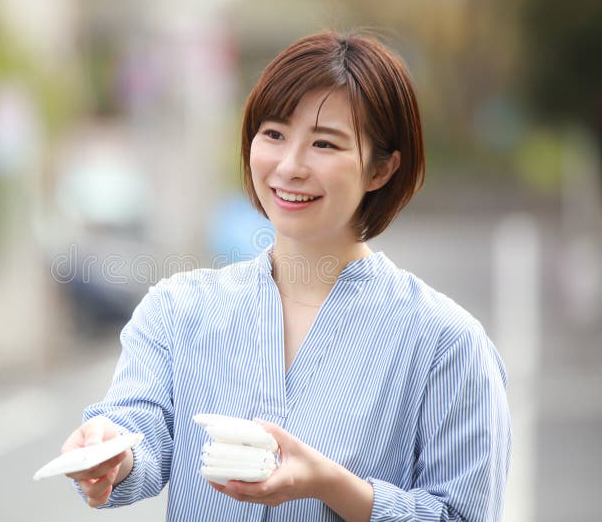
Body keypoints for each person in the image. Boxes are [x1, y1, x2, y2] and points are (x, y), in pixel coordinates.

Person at [60, 30, 511, 522]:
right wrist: (112, 452)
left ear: (382, 170)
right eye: (273, 134)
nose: (290, 166)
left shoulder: (446, 343)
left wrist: (336, 487)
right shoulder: (177, 309)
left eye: (324, 143)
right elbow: (139, 429)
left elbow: (463, 515)